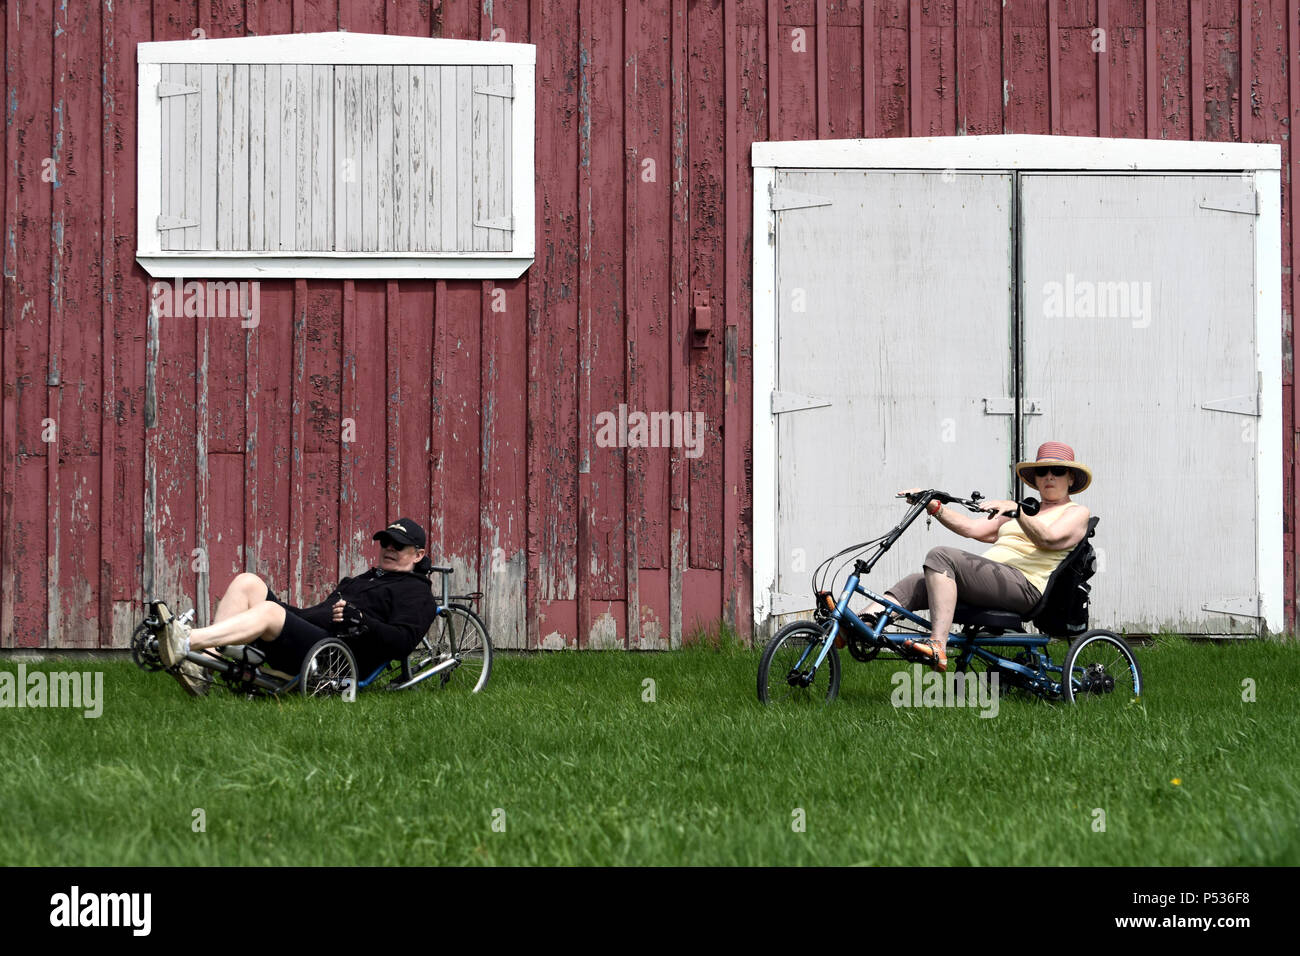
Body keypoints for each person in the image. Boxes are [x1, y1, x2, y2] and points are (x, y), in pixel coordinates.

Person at [155, 518, 439, 696]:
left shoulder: (416, 593)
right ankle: (205, 666)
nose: (389, 548)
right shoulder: (369, 577)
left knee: (270, 613)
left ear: (418, 555)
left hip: (334, 659)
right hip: (313, 634)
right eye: (386, 542)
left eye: (398, 545)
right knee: (247, 582)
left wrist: (363, 621)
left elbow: (403, 642)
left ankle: (185, 641)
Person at [876, 442, 1092, 673]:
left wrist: (1017, 511)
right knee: (917, 582)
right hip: (993, 583)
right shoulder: (1023, 511)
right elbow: (971, 528)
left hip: (1026, 588)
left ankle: (937, 645)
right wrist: (933, 506)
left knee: (940, 556)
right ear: (1036, 479)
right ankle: (862, 625)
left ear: (1070, 478)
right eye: (1042, 472)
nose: (1049, 476)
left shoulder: (1076, 512)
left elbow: (1048, 538)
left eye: (1057, 471)